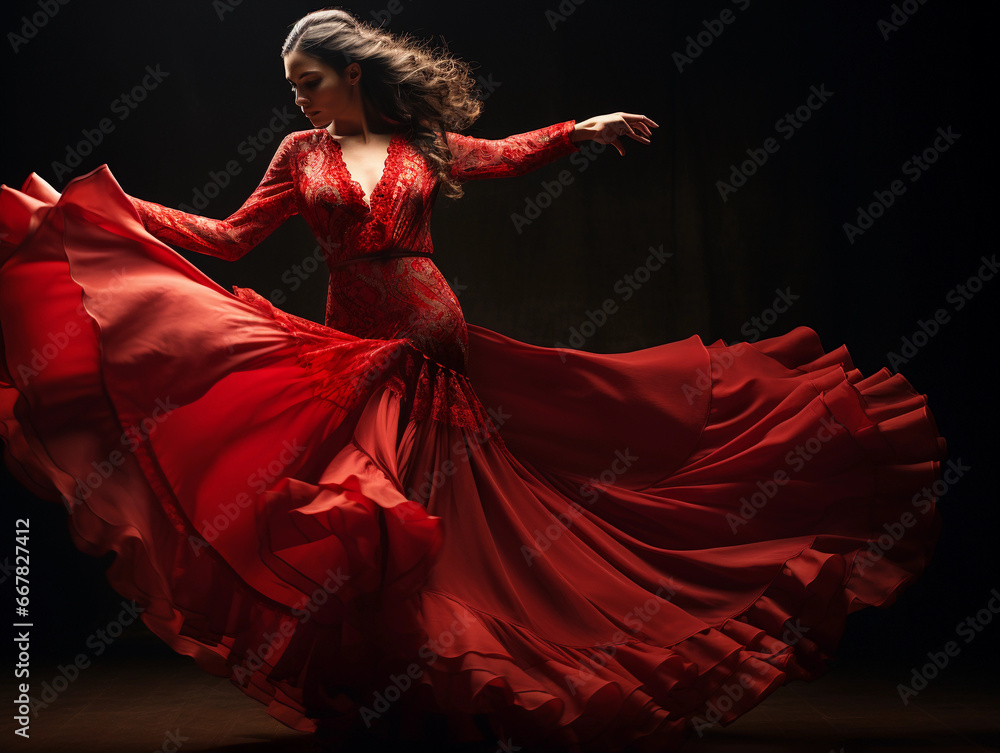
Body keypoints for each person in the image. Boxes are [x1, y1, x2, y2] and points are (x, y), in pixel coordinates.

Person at [0, 7, 946, 752]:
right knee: (373, 515)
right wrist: (114, 208)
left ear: (354, 73)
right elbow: (229, 237)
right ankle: (398, 690)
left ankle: (462, 682)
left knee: (450, 520)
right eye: (290, 87)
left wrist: (583, 128)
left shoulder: (419, 144)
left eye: (310, 81)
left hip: (435, 336)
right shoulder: (301, 155)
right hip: (353, 350)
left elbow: (503, 153)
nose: (298, 99)